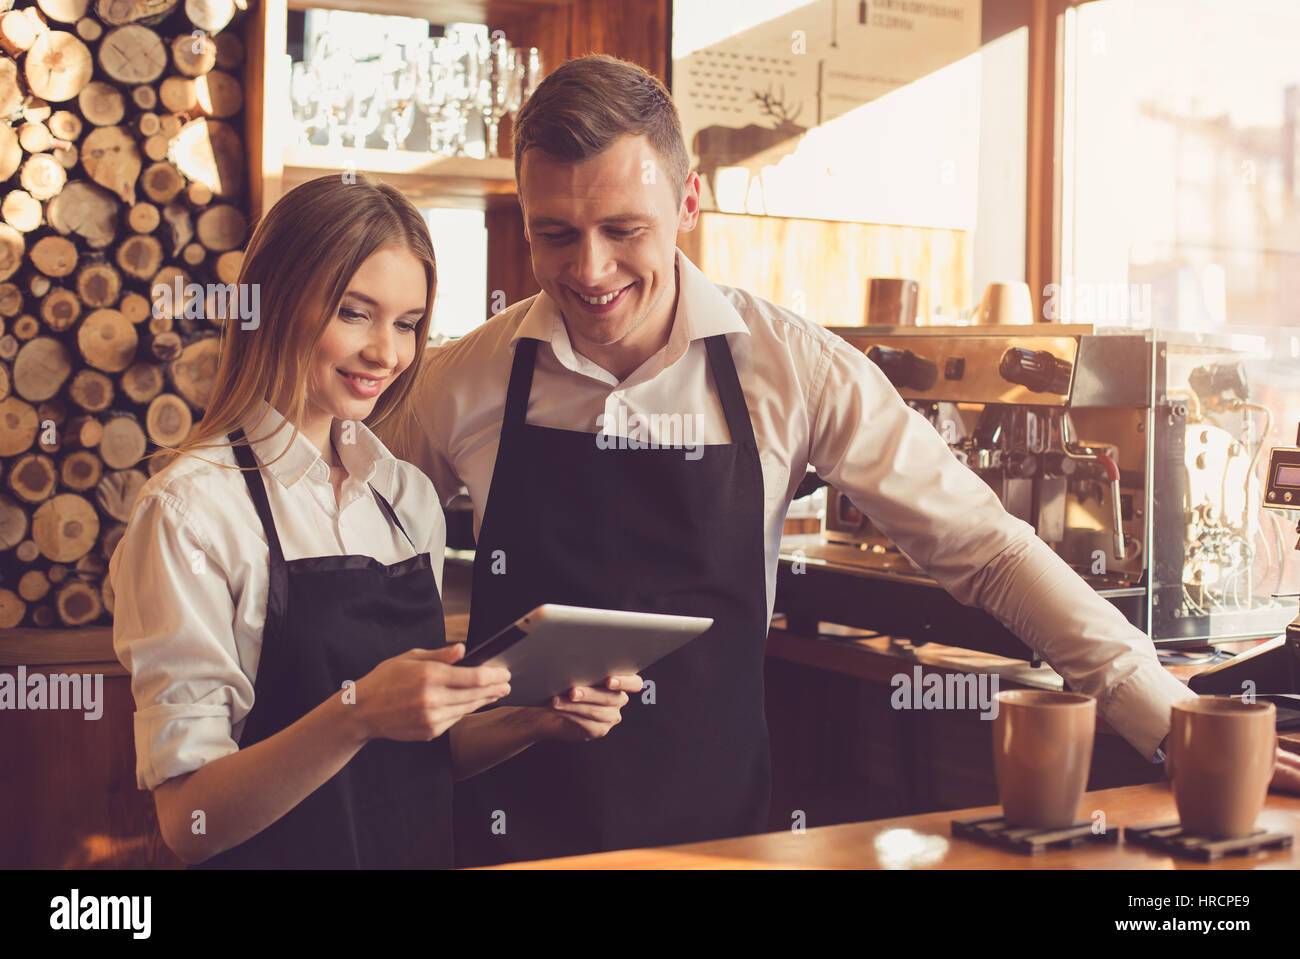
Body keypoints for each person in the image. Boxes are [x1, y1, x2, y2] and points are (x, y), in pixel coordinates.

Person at [386, 55, 1300, 867]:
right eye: (555, 234)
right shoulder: (459, 381)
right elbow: (359, 569)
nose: (590, 269)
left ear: (689, 203)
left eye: (624, 228)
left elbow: (987, 548)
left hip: (717, 840)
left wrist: (1159, 713)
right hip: (496, 835)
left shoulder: (790, 366)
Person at [110, 173, 639, 868]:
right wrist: (355, 712)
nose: (386, 353)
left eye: (408, 323)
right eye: (355, 313)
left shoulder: (408, 496)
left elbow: (411, 759)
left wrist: (532, 720)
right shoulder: (192, 512)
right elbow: (189, 819)